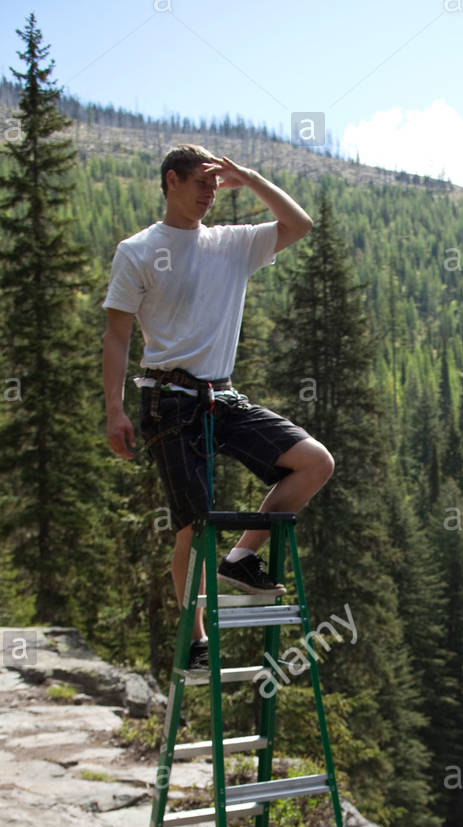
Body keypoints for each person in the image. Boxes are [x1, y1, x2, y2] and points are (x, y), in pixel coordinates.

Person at [102, 144, 332, 670]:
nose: (210, 194)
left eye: (215, 184)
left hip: (222, 396)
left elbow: (299, 225)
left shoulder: (232, 244)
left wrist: (248, 178)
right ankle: (197, 640)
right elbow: (116, 335)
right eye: (201, 183)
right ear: (171, 181)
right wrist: (114, 410)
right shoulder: (138, 250)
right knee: (194, 524)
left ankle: (241, 556)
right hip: (167, 399)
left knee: (314, 462)